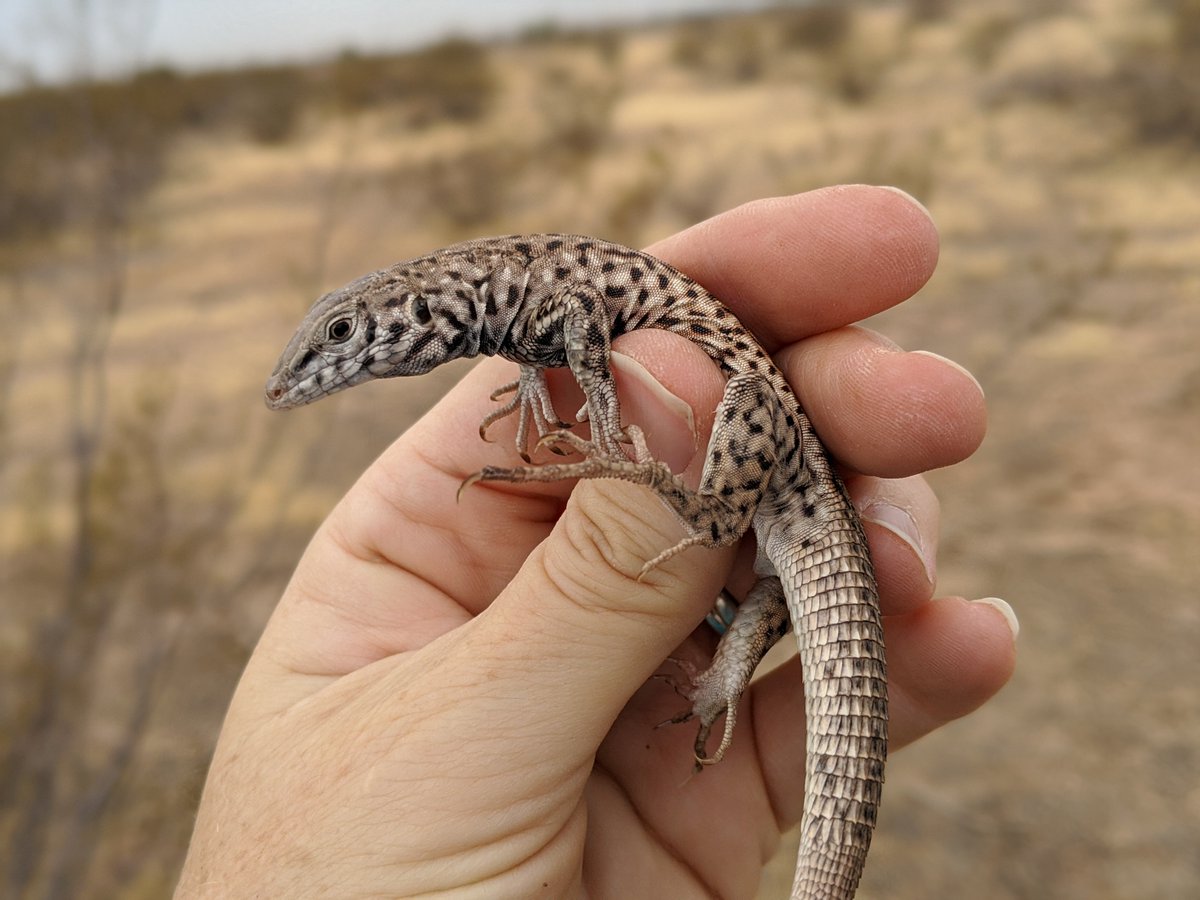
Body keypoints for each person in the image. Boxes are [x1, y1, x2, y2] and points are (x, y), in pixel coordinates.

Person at [175, 186, 1017, 898]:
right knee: (788, 577)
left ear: (414, 309)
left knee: (738, 505)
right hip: (788, 515)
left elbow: (578, 310)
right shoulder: (495, 307)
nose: (318, 368)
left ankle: (706, 528)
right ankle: (733, 653)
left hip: (775, 456)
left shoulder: (508, 296)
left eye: (344, 338)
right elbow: (560, 321)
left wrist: (620, 443)